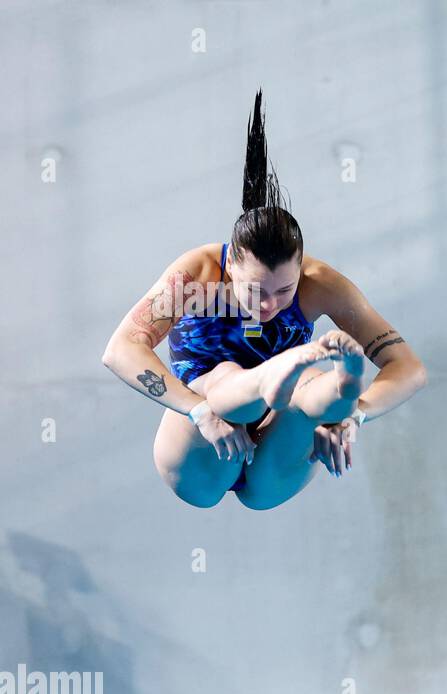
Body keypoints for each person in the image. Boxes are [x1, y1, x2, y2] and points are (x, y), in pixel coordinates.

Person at [101, 91, 426, 508]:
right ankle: (272, 375)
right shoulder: (198, 274)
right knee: (223, 376)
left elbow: (410, 370)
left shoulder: (319, 282)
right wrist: (198, 412)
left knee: (311, 401)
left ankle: (331, 388)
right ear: (231, 264)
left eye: (284, 291)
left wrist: (355, 415)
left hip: (273, 448)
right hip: (201, 443)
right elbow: (121, 350)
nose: (269, 306)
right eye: (255, 291)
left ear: (299, 270)